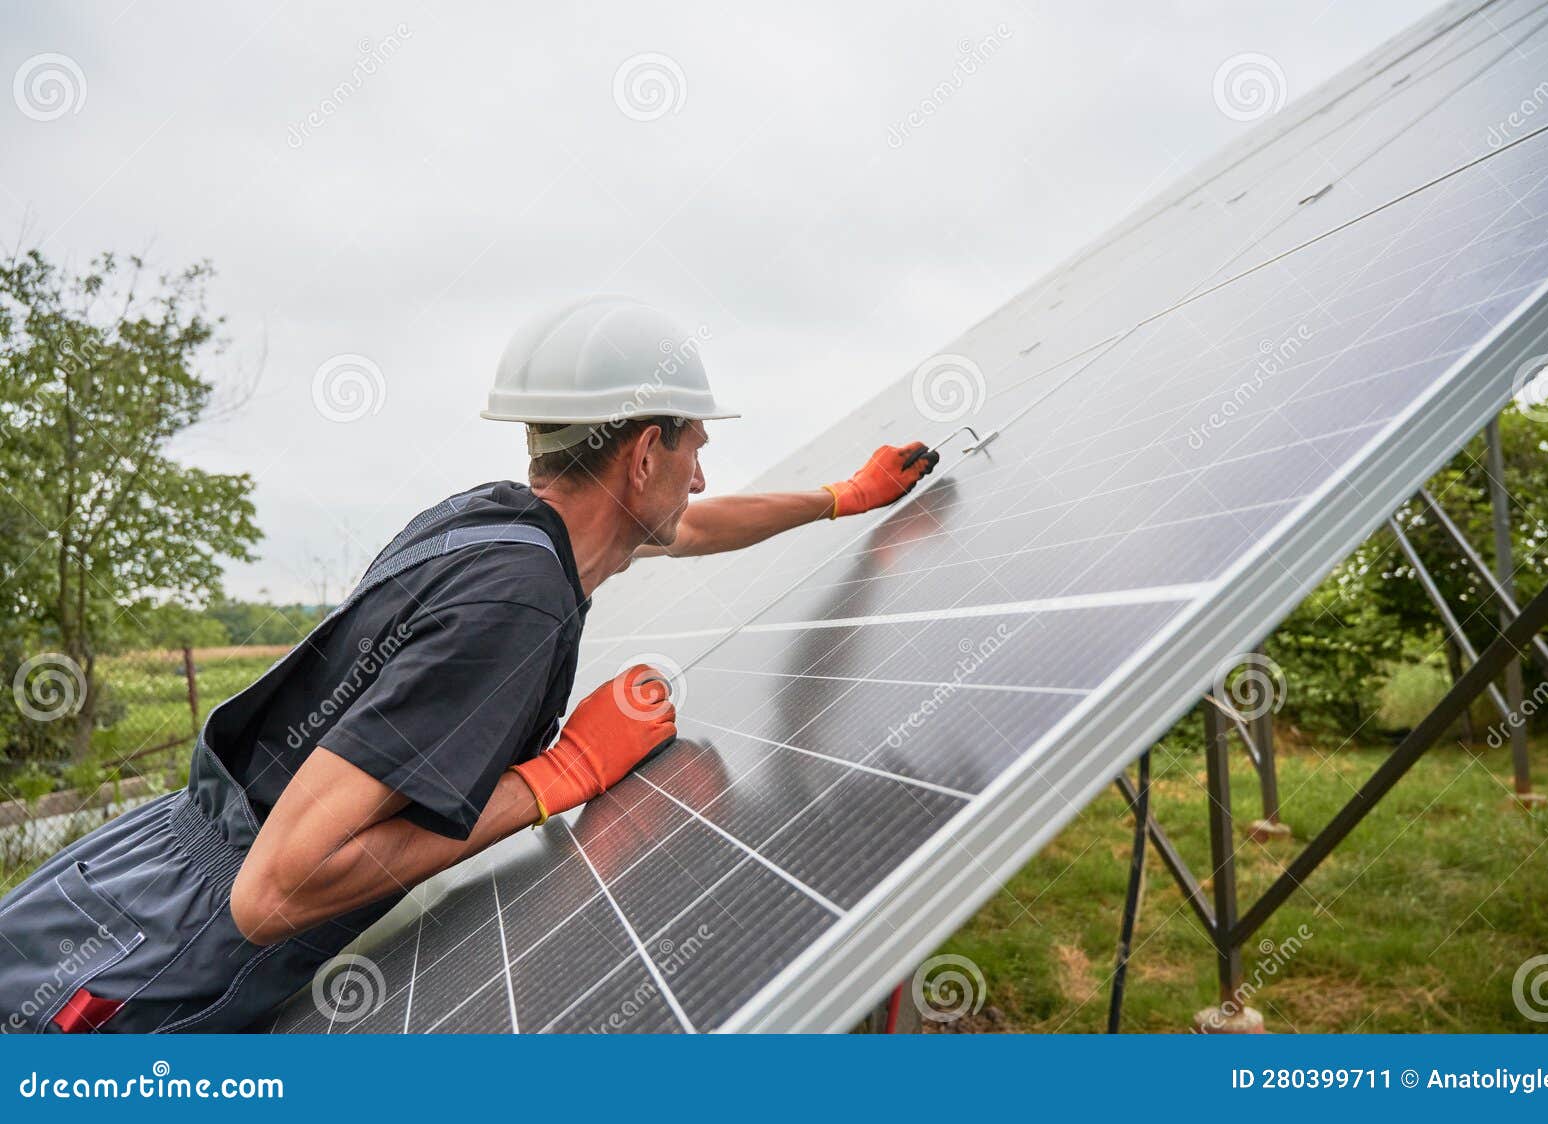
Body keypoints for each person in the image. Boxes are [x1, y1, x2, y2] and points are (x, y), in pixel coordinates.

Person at [0, 295, 937, 1033]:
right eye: (694, 447)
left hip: (127, 883)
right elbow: (274, 890)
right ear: (644, 451)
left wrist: (838, 498)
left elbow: (690, 525)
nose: (701, 474)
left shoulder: (501, 525)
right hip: (141, 968)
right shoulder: (518, 605)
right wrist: (559, 778)